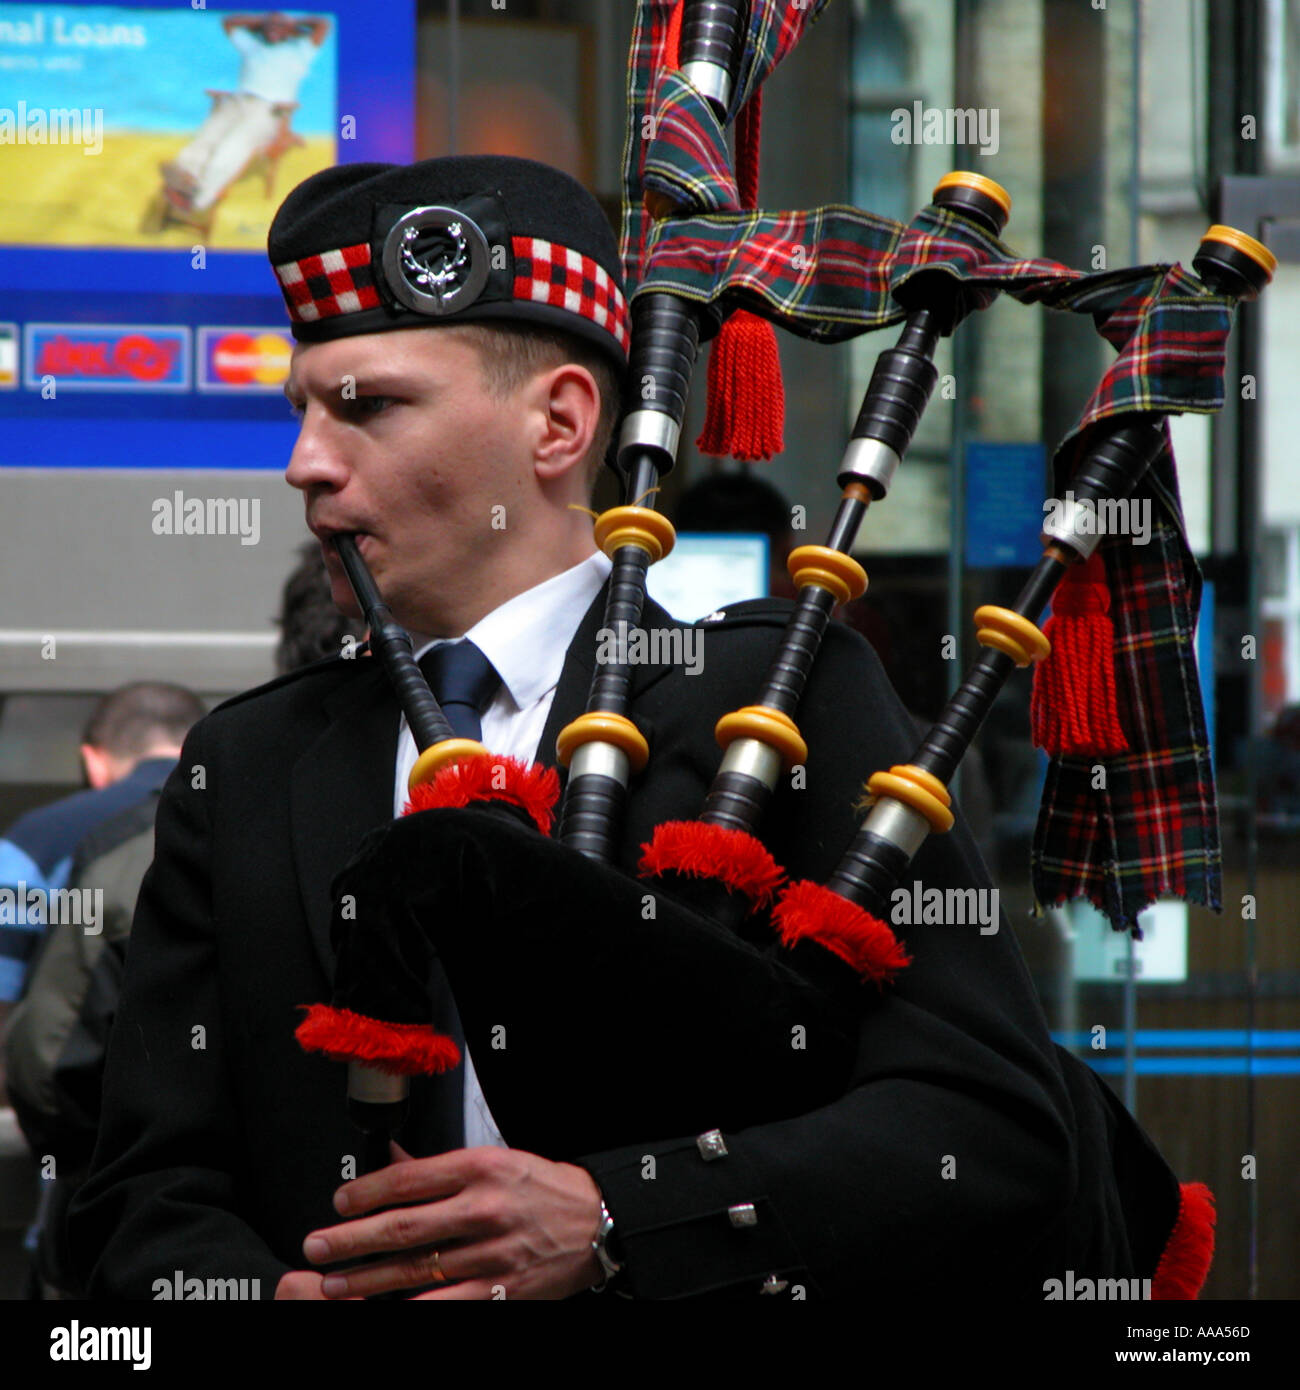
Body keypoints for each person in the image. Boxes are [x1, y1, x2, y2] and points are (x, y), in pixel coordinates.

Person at [68, 156, 1177, 1301]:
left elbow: (989, 1137)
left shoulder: (783, 704)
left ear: (559, 424)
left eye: (368, 407)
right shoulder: (247, 766)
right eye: (299, 408)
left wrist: (618, 1217)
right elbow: (141, 1192)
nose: (305, 462)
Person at [2, 682, 204, 1297]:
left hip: (94, 1213)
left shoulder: (35, 841)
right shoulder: (253, 814)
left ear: (93, 758)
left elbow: (27, 1048)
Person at [159, 11, 329, 219]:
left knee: (230, 149)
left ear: (289, 30)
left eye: (279, 27)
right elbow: (229, 23)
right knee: (207, 136)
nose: (273, 30)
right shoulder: (254, 47)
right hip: (238, 101)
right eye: (270, 27)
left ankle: (198, 199)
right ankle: (182, 177)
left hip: (269, 110)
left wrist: (290, 23)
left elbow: (323, 24)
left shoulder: (300, 50)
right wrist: (265, 21)